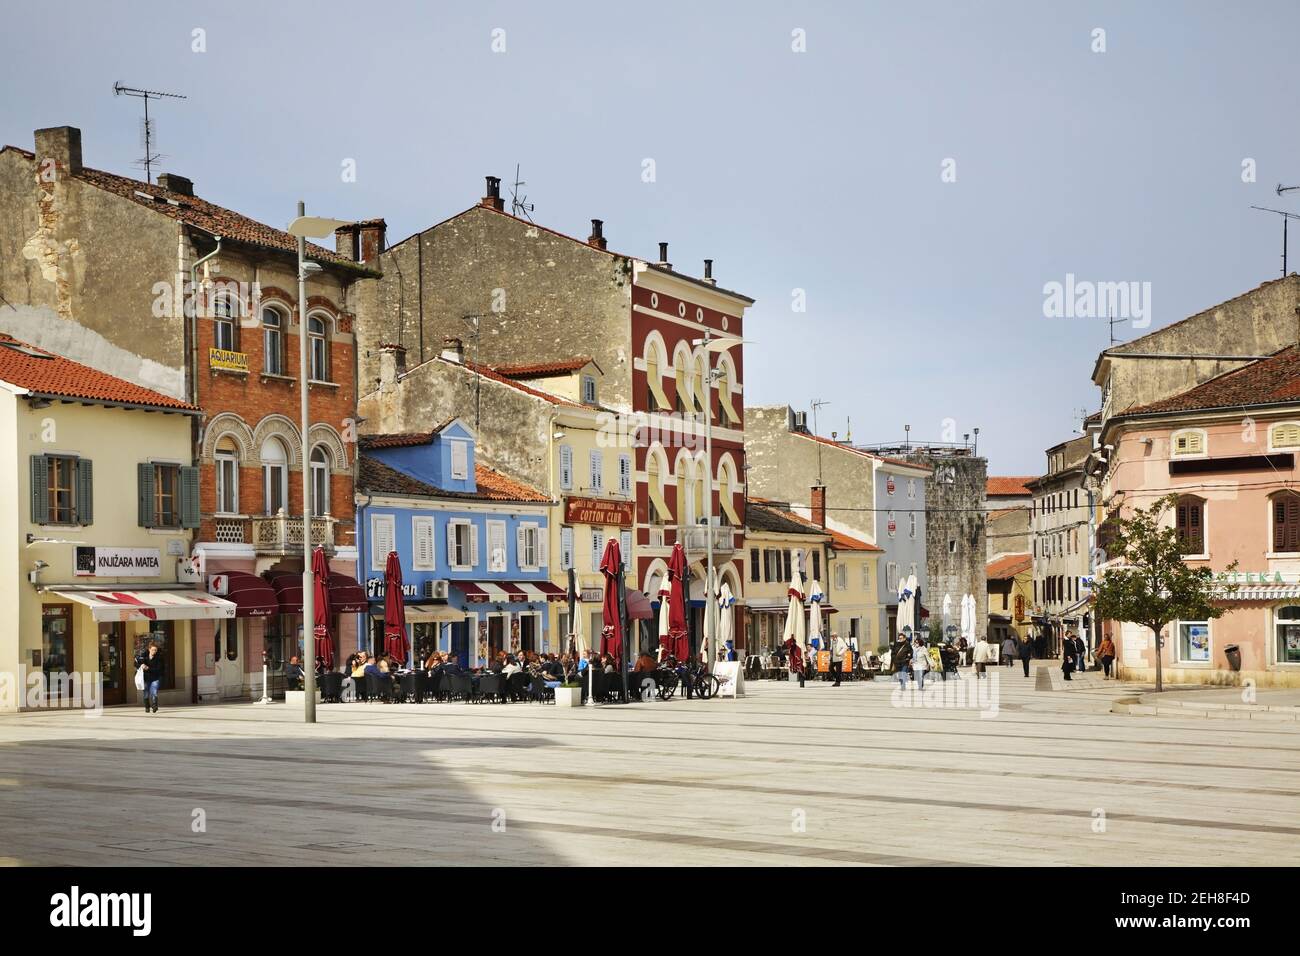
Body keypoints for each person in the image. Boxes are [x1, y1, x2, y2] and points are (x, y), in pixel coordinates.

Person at [136, 641, 165, 713]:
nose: (154, 651)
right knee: (146, 693)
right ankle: (147, 707)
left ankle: (155, 706)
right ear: (149, 649)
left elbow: (159, 669)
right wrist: (141, 665)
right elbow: (136, 663)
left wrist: (148, 668)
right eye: (152, 650)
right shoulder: (144, 656)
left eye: (155, 650)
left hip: (155, 678)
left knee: (154, 692)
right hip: (145, 678)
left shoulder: (159, 658)